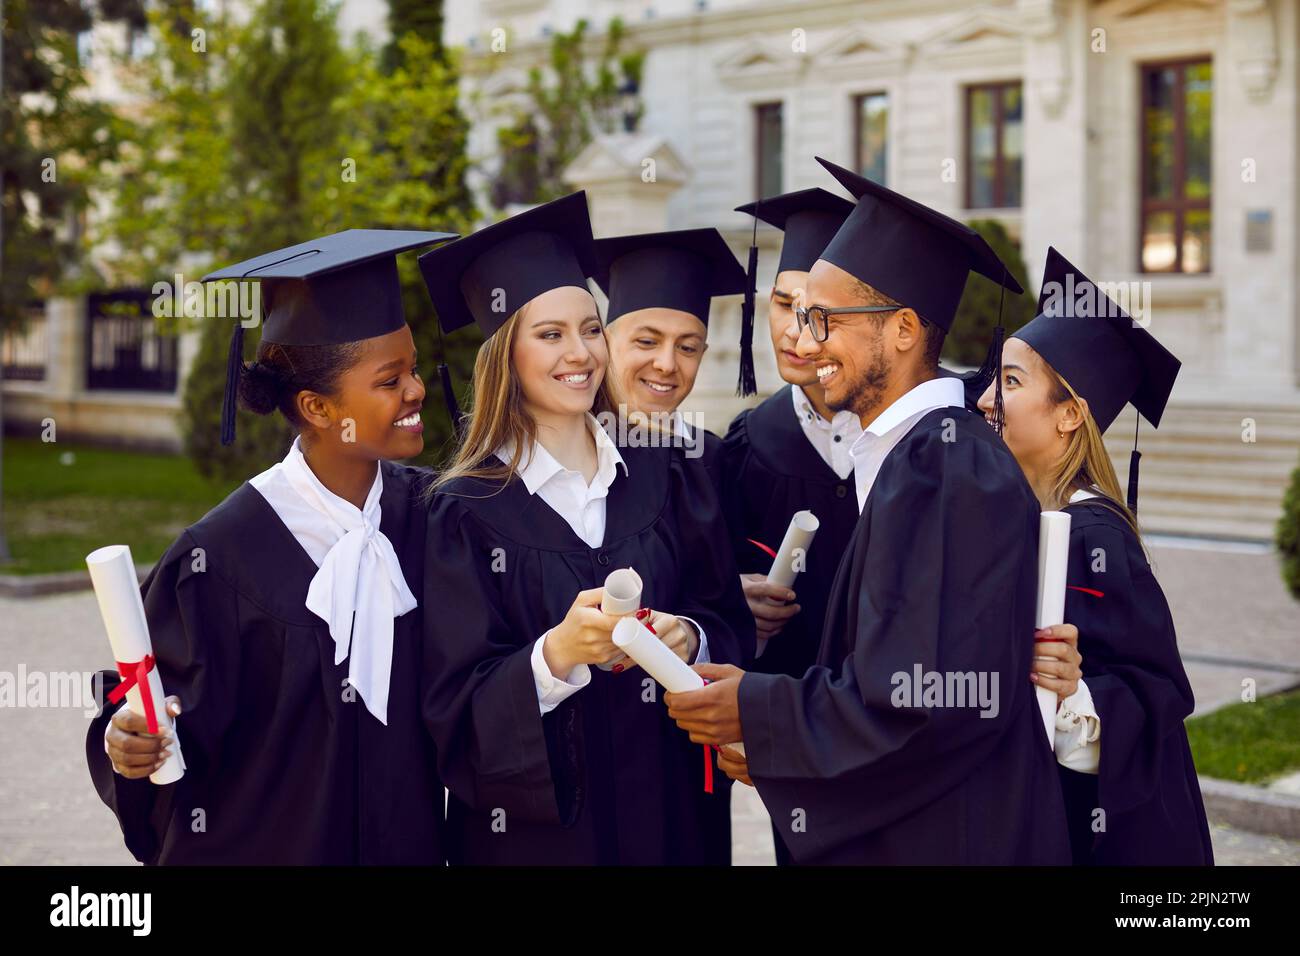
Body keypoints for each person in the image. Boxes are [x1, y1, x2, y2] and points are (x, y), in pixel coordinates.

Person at [664, 157, 1074, 865]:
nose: (805, 339)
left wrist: (758, 717)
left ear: (904, 330)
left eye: (825, 318)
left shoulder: (945, 469)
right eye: (795, 313)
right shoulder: (912, 459)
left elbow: (922, 702)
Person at [86, 228, 454, 864]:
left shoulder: (432, 517)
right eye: (390, 379)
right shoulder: (219, 557)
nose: (417, 390)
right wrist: (129, 739)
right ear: (316, 406)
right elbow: (151, 715)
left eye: (414, 368)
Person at [417, 192, 754, 865]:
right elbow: (450, 712)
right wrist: (557, 654)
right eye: (550, 335)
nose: (581, 353)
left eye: (591, 328)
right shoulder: (462, 512)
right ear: (505, 355)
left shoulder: (673, 476)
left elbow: (729, 620)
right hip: (542, 844)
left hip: (675, 822)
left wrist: (691, 635)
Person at [976, 246, 1213, 865]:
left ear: (1070, 416)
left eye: (1009, 382)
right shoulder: (1025, 519)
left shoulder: (1094, 535)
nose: (983, 400)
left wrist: (1077, 695)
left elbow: (1159, 691)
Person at [593, 227, 747, 472]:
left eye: (687, 347)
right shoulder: (569, 453)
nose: (667, 364)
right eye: (646, 342)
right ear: (605, 342)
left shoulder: (716, 464)